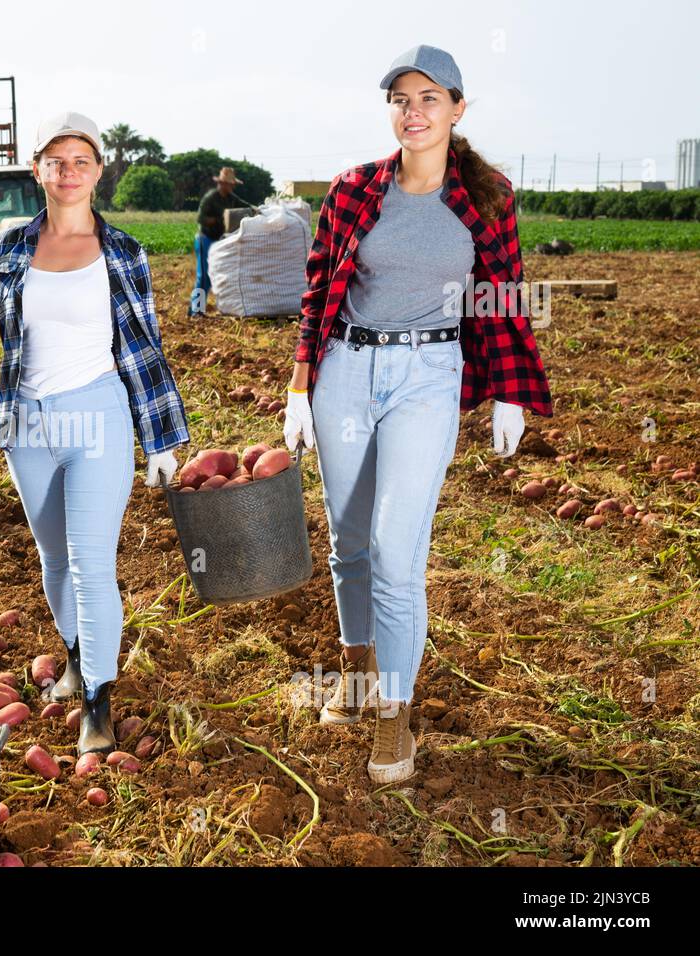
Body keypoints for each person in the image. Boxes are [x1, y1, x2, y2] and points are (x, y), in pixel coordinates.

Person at [282, 45, 553, 784]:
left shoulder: (487, 194)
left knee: (397, 554)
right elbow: (317, 291)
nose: (414, 111)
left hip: (430, 374)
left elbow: (502, 291)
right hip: (345, 368)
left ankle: (394, 717)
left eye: (429, 98)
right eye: (401, 98)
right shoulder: (354, 190)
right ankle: (356, 674)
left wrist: (508, 391)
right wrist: (300, 385)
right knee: (348, 541)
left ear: (457, 109)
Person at [0, 111, 189, 755]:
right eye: (57, 161)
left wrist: (159, 438)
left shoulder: (124, 252)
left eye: (82, 160)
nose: (70, 171)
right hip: (26, 421)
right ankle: (78, 654)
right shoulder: (10, 248)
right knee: (53, 559)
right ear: (39, 171)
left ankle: (98, 702)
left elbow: (145, 350)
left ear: (100, 171)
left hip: (98, 417)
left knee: (89, 562)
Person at [189, 167, 252, 317]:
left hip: (219, 242)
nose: (231, 187)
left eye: (232, 185)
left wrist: (254, 210)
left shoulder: (231, 198)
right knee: (203, 276)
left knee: (211, 276)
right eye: (229, 184)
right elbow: (201, 219)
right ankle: (195, 311)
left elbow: (244, 206)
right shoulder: (211, 198)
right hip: (205, 239)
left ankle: (196, 309)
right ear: (222, 184)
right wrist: (220, 219)